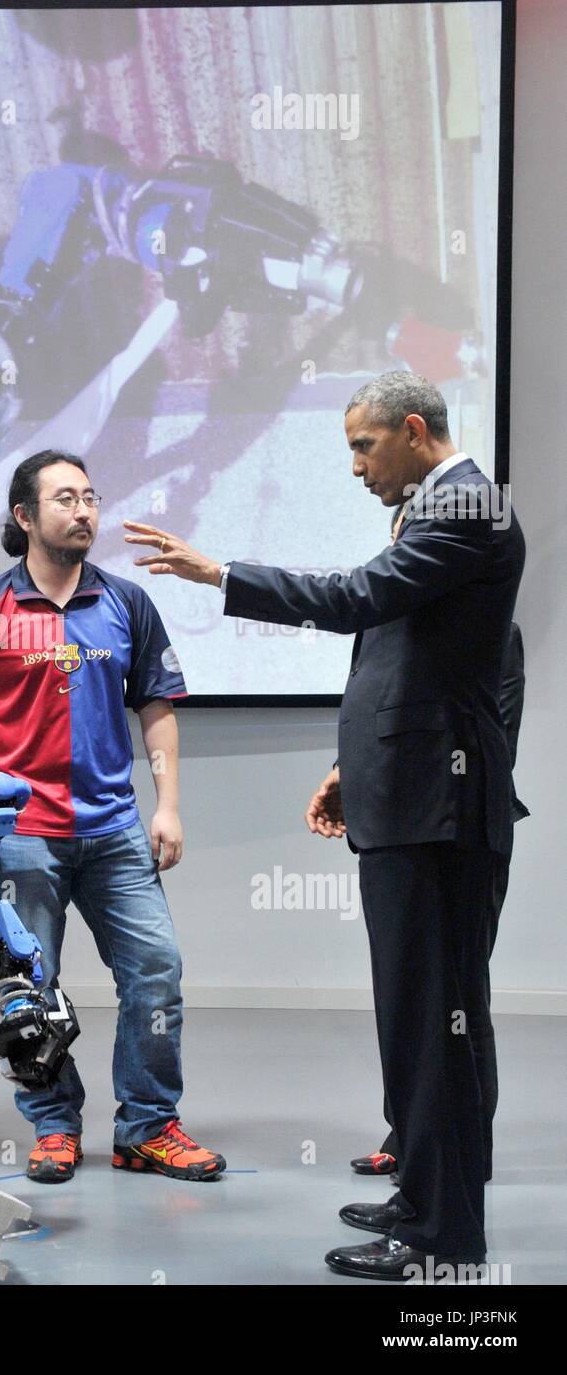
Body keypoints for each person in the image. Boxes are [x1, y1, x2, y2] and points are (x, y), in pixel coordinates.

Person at [125, 370, 524, 1279]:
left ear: (414, 429)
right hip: (411, 795)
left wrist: (220, 574)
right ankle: (423, 1198)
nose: (355, 467)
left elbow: (357, 600)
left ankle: (443, 1238)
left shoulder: (466, 506)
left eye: (363, 446)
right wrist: (355, 765)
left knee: (435, 1025)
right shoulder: (437, 508)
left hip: (438, 808)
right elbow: (409, 656)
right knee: (417, 1021)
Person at [0, 449, 225, 1185]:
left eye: (90, 497)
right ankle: (53, 1125)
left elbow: (156, 707)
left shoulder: (127, 602)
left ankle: (148, 1127)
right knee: (30, 990)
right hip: (22, 837)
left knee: (155, 972)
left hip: (115, 830)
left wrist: (168, 806)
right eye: (65, 498)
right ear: (25, 516)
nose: (84, 510)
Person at [351, 605, 529, 1185]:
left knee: (460, 994)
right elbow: (369, 714)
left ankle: (468, 1150)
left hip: (460, 834)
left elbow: (491, 742)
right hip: (395, 831)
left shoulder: (491, 629)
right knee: (410, 1000)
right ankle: (410, 1139)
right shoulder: (377, 625)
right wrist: (347, 775)